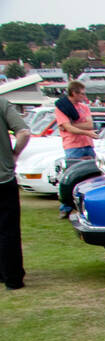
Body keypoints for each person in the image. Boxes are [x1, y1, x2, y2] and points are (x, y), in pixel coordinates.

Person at [55, 80, 96, 218]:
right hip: (73, 145)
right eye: (82, 94)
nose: (84, 97)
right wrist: (85, 131)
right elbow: (68, 128)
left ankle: (88, 204)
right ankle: (66, 207)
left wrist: (73, 125)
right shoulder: (62, 108)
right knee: (72, 176)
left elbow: (89, 124)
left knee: (93, 176)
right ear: (74, 93)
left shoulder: (84, 107)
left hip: (87, 144)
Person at [1, 94, 30, 289]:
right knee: (8, 230)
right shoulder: (2, 103)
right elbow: (24, 132)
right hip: (3, 177)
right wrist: (14, 155)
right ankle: (12, 277)